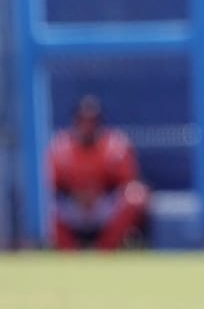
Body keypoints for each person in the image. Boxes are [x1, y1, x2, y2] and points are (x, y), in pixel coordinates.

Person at [47, 95, 149, 251]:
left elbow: (128, 182)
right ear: (75, 121)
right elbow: (50, 186)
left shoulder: (115, 146)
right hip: (73, 206)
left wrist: (99, 194)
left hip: (103, 205)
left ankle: (105, 252)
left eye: (92, 121)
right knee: (46, 206)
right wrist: (74, 196)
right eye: (83, 120)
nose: (87, 126)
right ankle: (67, 255)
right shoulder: (60, 146)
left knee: (136, 196)